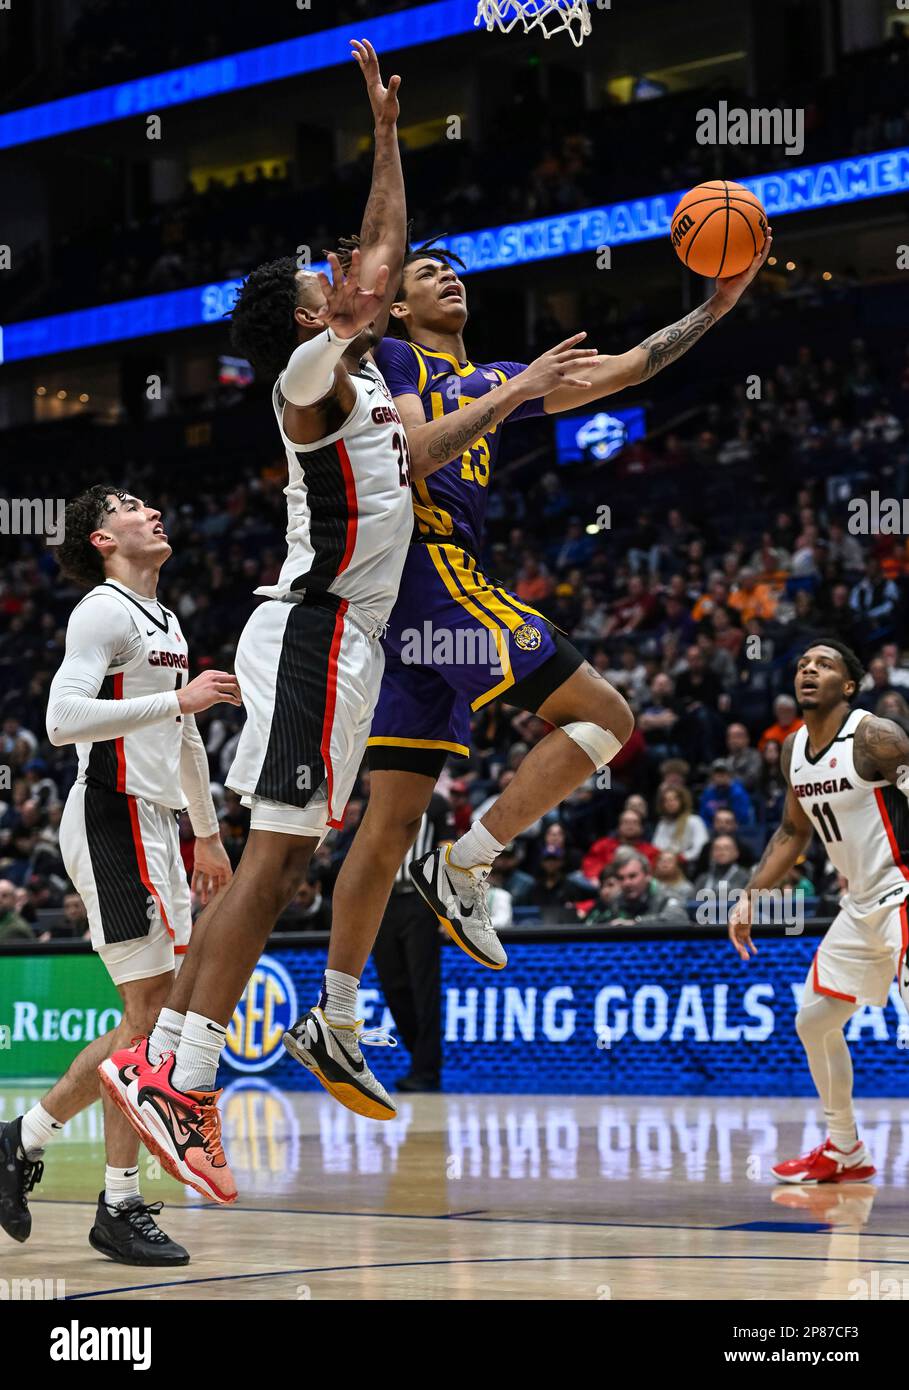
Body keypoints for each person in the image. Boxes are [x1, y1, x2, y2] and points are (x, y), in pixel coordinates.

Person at [287, 193, 770, 1012]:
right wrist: (518, 393)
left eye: (453, 269)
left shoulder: (498, 376)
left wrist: (715, 305)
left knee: (394, 815)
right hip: (427, 577)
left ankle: (334, 1012)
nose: (448, 277)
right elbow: (418, 455)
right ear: (398, 305)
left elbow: (628, 367)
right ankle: (467, 861)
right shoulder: (393, 363)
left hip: (410, 616)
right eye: (426, 271)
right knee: (608, 719)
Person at [100, 41, 431, 1204]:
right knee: (275, 861)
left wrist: (523, 387)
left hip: (342, 639)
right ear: (304, 317)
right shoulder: (308, 376)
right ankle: (178, 1079)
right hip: (311, 632)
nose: (348, 278)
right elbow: (381, 262)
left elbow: (410, 425)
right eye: (325, 282)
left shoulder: (367, 389)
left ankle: (172, 1071)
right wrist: (385, 135)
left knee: (281, 866)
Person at [0, 486, 236, 1263]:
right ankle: (116, 1203)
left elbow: (187, 736)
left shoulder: (165, 620)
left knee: (150, 1024)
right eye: (129, 507)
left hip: (158, 825)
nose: (151, 511)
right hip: (111, 814)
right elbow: (62, 722)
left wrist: (206, 833)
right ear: (103, 539)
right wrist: (178, 697)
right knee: (150, 1020)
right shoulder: (99, 610)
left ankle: (22, 1141)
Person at [728, 638, 909, 1184]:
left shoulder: (876, 735)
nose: (808, 670)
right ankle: (845, 1149)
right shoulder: (792, 749)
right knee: (814, 1021)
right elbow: (792, 831)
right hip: (859, 908)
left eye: (824, 665)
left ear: (848, 685)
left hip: (903, 893)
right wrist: (751, 894)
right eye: (803, 663)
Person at [371, 790, 453, 1092]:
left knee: (424, 987)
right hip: (383, 900)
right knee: (392, 985)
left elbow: (446, 852)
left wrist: (445, 906)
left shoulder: (437, 802)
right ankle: (421, 1058)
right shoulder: (379, 801)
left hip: (420, 901)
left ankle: (427, 1069)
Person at [590, 848, 688, 926]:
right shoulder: (616, 899)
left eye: (632, 876)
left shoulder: (667, 895)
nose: (626, 883)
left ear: (647, 875)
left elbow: (678, 919)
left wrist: (636, 923)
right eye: (621, 878)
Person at [651, 784, 708, 872]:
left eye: (674, 799)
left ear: (682, 801)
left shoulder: (694, 820)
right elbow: (656, 846)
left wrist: (682, 857)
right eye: (666, 801)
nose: (670, 803)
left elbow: (701, 846)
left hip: (688, 865)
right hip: (665, 865)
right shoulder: (662, 824)